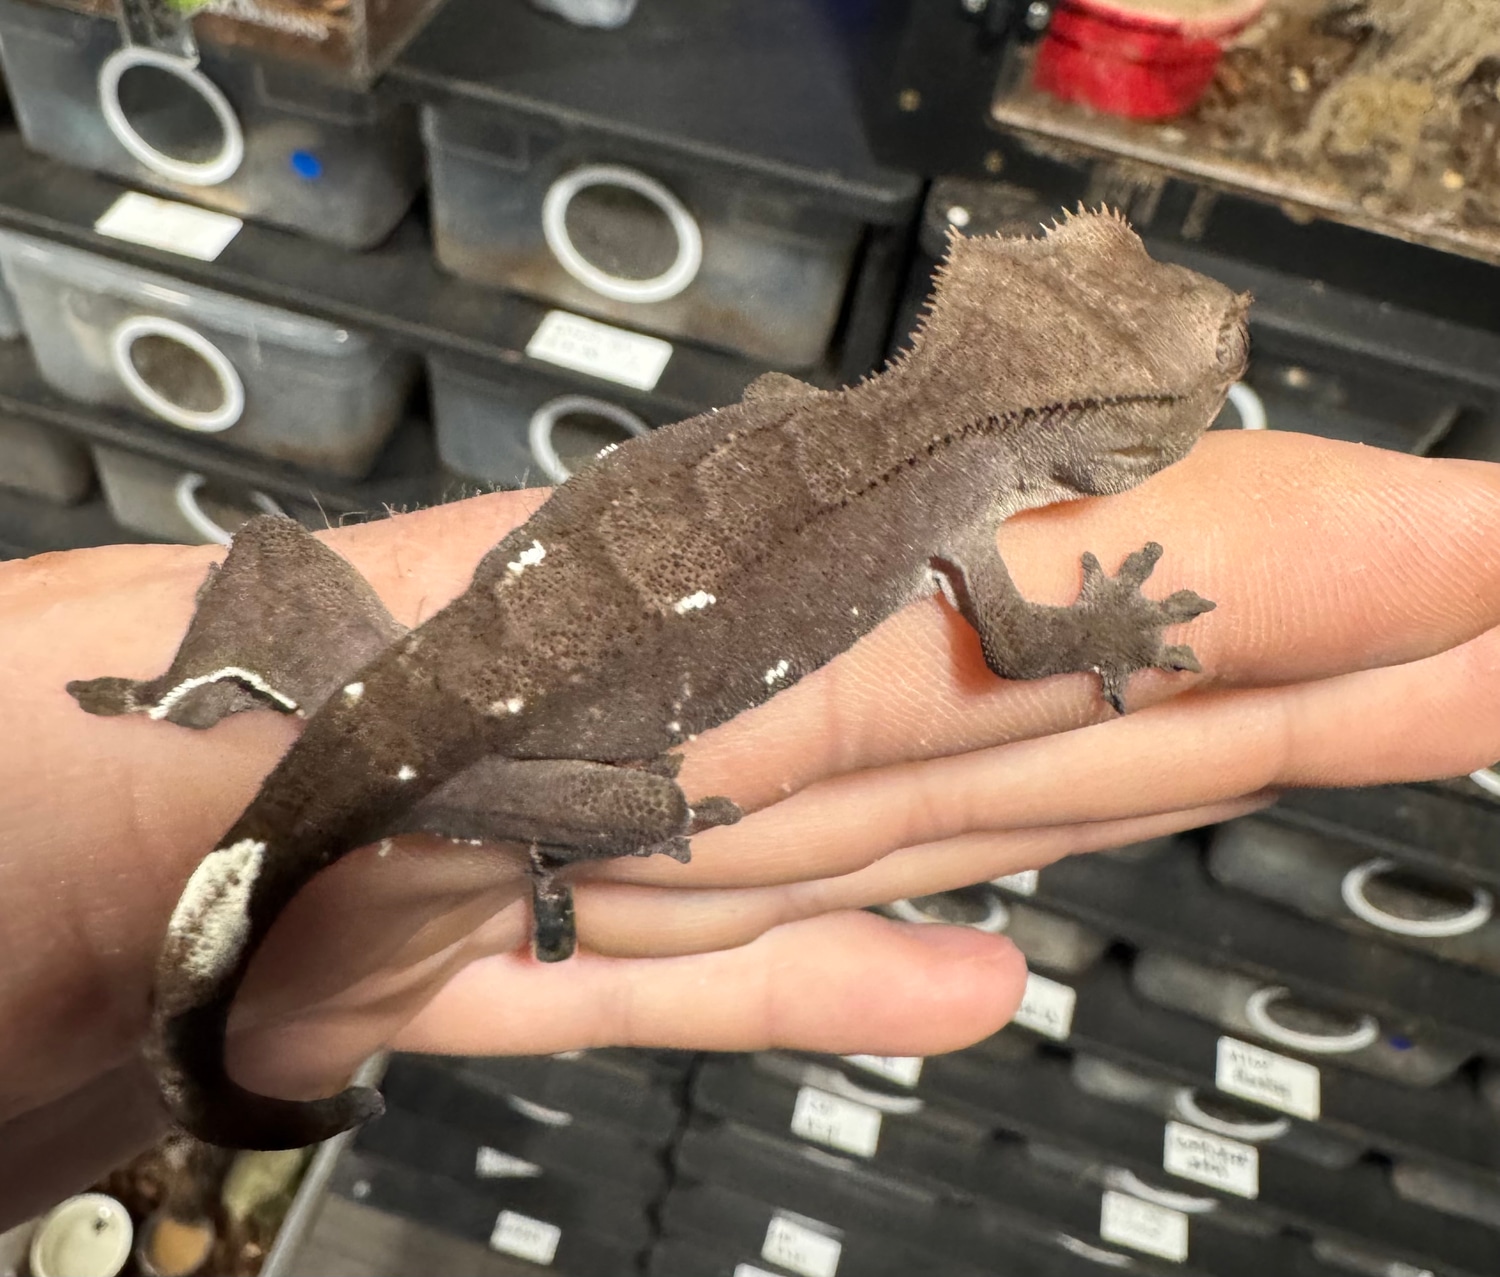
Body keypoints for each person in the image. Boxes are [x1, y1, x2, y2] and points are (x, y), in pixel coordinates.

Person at [2, 428, 1498, 1227]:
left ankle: (203, 682)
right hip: (464, 754)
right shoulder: (958, 503)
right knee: (651, 805)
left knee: (276, 566)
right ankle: (282, 769)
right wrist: (1104, 620)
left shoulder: (853, 440)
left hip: (400, 709)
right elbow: (1029, 650)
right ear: (1100, 445)